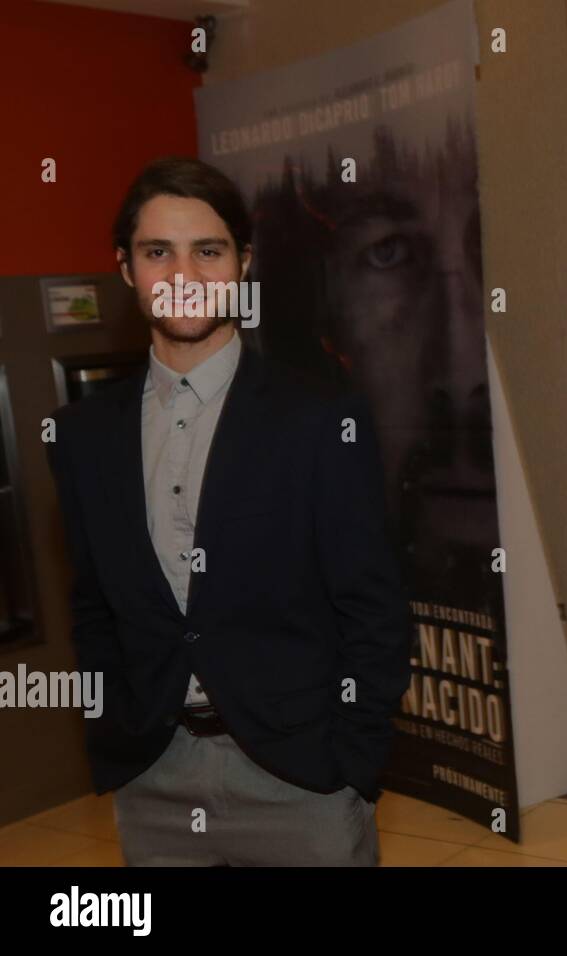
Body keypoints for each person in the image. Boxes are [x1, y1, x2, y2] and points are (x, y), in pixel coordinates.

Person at [45, 157, 411, 865]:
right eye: (159, 252)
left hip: (301, 777)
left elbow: (373, 607)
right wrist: (112, 727)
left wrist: (353, 761)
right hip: (153, 773)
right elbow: (93, 606)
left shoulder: (320, 417)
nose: (183, 275)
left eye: (207, 252)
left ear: (243, 263)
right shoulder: (82, 437)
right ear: (125, 268)